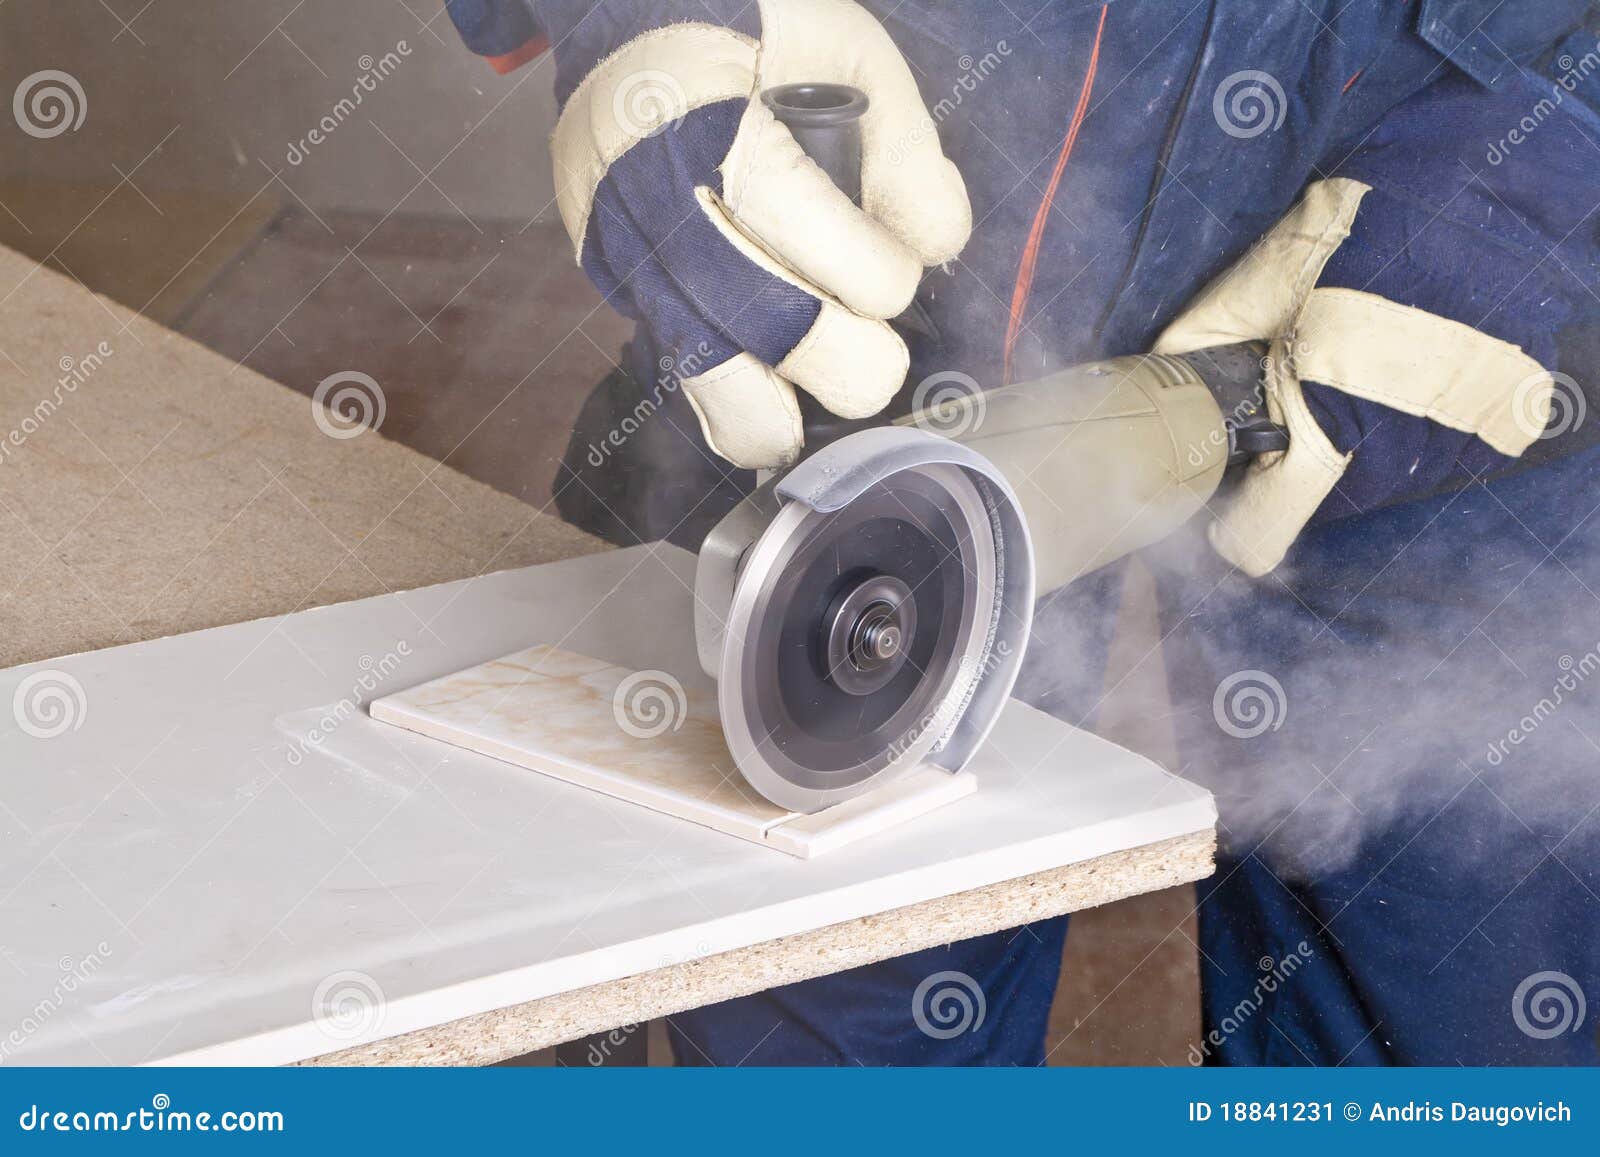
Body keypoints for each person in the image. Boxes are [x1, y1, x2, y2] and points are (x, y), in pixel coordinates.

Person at [446, 0, 1600, 1065]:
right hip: (871, 271)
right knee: (822, 1002)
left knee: (1458, 1023)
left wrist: (1546, 167)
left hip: (1450, 277)